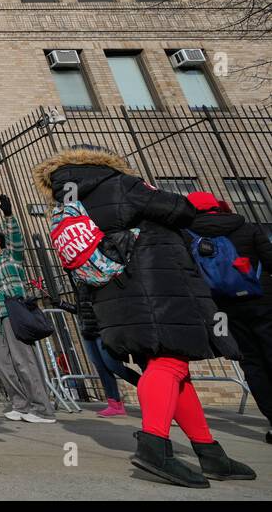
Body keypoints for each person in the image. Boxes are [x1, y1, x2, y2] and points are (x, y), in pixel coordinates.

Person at [34, 146, 253, 487]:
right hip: (154, 284)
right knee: (171, 362)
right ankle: (154, 446)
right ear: (101, 164)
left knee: (171, 368)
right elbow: (179, 209)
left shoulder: (68, 202)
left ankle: (209, 452)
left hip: (116, 290)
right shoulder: (120, 184)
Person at [186, 190, 272, 443]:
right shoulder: (247, 227)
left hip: (225, 307)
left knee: (252, 363)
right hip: (263, 300)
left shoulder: (189, 235)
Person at [0, 193, 56, 424]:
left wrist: (8, 215)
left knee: (24, 360)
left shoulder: (11, 256)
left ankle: (43, 409)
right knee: (0, 360)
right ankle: (21, 404)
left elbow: (16, 238)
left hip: (13, 313)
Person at [59, 282, 138, 416]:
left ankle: (149, 388)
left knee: (113, 365)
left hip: (102, 329)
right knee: (101, 367)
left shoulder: (96, 280)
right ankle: (114, 404)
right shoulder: (79, 285)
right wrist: (62, 304)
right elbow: (81, 310)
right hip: (88, 331)